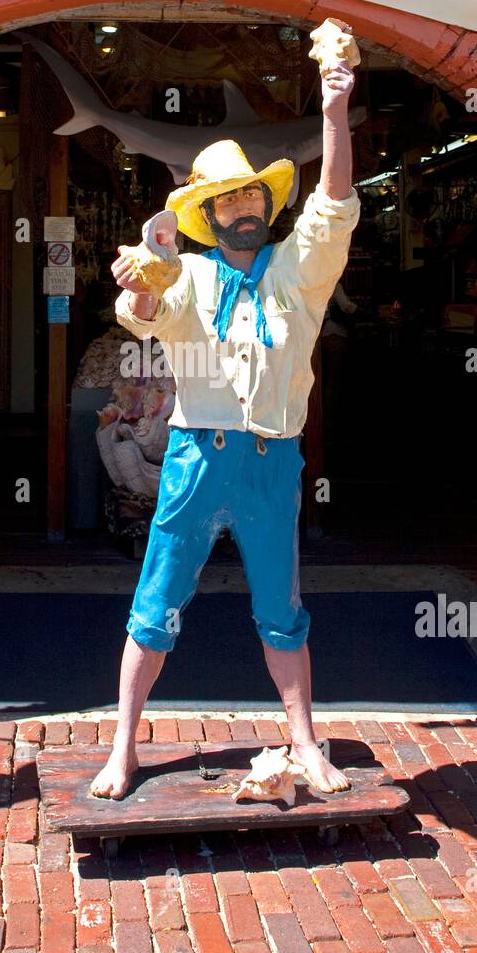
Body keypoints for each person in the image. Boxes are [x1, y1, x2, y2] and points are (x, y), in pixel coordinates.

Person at [90, 54, 360, 799]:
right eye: (225, 198)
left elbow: (334, 203)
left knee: (283, 605)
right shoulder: (192, 275)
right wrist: (143, 282)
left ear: (265, 204)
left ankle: (305, 743)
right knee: (156, 602)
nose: (241, 206)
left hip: (271, 462)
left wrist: (334, 111)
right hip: (195, 459)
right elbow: (145, 311)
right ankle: (123, 748)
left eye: (251, 193)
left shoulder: (298, 272)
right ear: (205, 215)